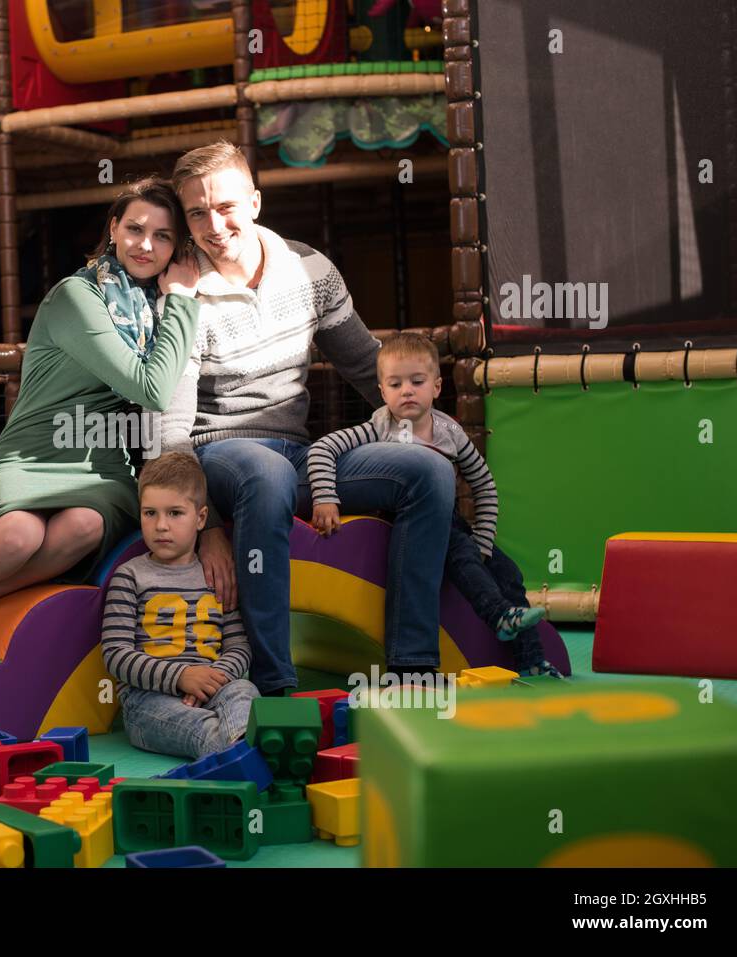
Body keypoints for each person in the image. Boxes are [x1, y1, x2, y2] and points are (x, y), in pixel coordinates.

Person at [157, 140, 457, 693]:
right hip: (219, 458)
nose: (212, 225)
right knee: (262, 471)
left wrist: (427, 435)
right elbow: (171, 429)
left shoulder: (309, 268)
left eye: (224, 206)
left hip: (298, 457)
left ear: (254, 203)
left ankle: (412, 669)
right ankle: (275, 686)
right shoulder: (181, 292)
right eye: (196, 212)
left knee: (430, 472)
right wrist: (208, 528)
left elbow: (370, 370)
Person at [0, 177, 201, 660]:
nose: (146, 245)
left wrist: (179, 302)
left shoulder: (160, 308)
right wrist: (184, 304)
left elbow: (159, 386)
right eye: (135, 228)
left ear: (176, 248)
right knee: (16, 539)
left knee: (83, 528)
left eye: (163, 236)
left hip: (100, 466)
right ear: (113, 228)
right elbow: (151, 386)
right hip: (33, 454)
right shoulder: (77, 296)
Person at [307, 333, 561, 677]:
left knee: (508, 572)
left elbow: (484, 484)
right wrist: (325, 496)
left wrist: (483, 544)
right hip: (406, 526)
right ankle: (499, 615)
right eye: (395, 384)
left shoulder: (449, 431)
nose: (406, 391)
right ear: (382, 392)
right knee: (461, 553)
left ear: (437, 387)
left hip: (453, 524)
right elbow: (323, 448)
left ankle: (531, 660)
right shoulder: (380, 426)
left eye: (417, 381)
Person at [101, 452, 258, 759]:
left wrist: (211, 681)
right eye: (150, 513)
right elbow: (116, 655)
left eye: (174, 513)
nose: (161, 526)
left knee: (246, 693)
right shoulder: (130, 576)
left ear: (200, 518)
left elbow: (239, 647)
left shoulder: (215, 575)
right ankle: (245, 758)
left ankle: (241, 752)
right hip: (147, 701)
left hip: (215, 686)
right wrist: (181, 677)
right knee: (203, 728)